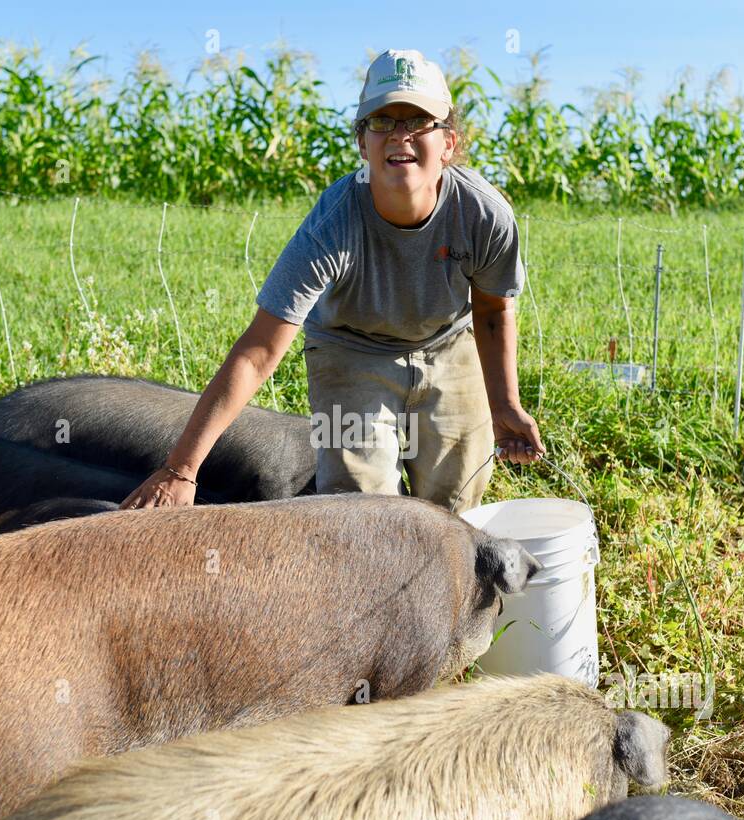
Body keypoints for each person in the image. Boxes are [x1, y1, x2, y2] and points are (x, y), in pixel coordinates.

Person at [121, 48, 545, 513]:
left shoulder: (484, 215)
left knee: (455, 503)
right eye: (382, 121)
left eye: (418, 121)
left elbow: (491, 312)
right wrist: (182, 469)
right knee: (357, 510)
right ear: (363, 143)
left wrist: (505, 406)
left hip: (448, 342)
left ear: (448, 143)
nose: (399, 135)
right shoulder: (333, 225)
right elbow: (260, 350)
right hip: (351, 348)